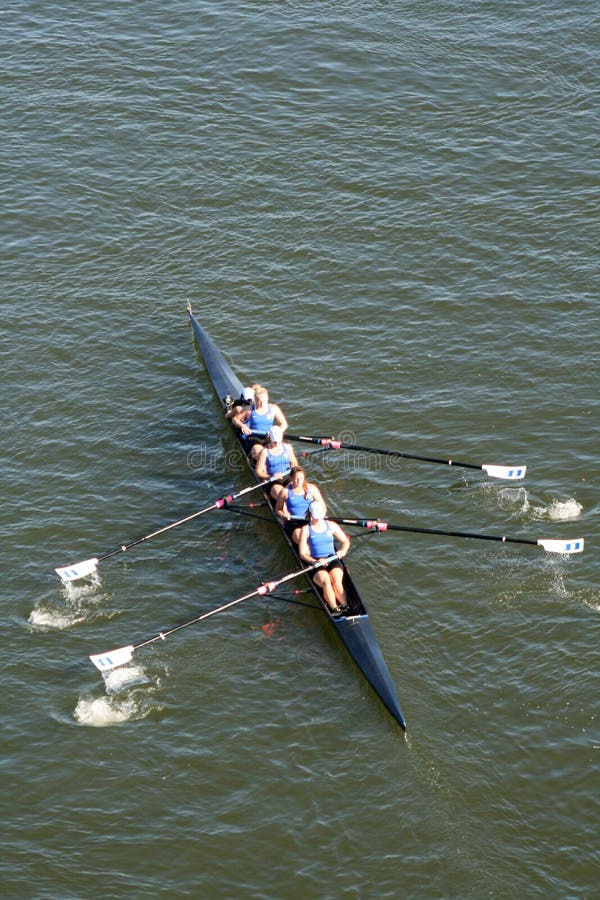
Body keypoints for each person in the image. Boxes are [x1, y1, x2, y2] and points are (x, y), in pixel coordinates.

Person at [298, 501, 351, 614]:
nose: (316, 519)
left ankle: (346, 607)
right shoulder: (306, 529)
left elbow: (345, 542)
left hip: (332, 559)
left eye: (318, 516)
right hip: (315, 562)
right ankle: (335, 609)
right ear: (310, 514)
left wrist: (343, 550)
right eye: (314, 516)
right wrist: (315, 561)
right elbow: (302, 554)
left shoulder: (331, 525)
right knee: (326, 581)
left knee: (336, 581)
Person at [232, 384, 288, 460]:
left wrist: (276, 432)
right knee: (260, 453)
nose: (262, 404)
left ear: (268, 399)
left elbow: (284, 424)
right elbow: (235, 419)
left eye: (264, 401)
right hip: (253, 437)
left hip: (269, 437)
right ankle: (261, 468)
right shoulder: (249, 409)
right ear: (255, 400)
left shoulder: (273, 408)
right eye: (259, 401)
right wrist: (243, 426)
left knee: (284, 450)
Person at [275, 466, 326, 543]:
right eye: (296, 479)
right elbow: (277, 509)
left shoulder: (312, 488)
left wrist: (319, 517)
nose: (299, 482)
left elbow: (323, 507)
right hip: (293, 521)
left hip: (311, 520)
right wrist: (283, 515)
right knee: (302, 540)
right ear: (291, 478)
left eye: (301, 478)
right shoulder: (285, 492)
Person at [255, 426, 298, 498]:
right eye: (274, 441)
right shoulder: (265, 452)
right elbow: (258, 472)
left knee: (295, 493)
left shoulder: (288, 447)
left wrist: (293, 468)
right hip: (273, 480)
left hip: (287, 477)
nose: (277, 443)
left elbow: (295, 463)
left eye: (278, 440)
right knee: (282, 495)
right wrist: (270, 476)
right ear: (270, 438)